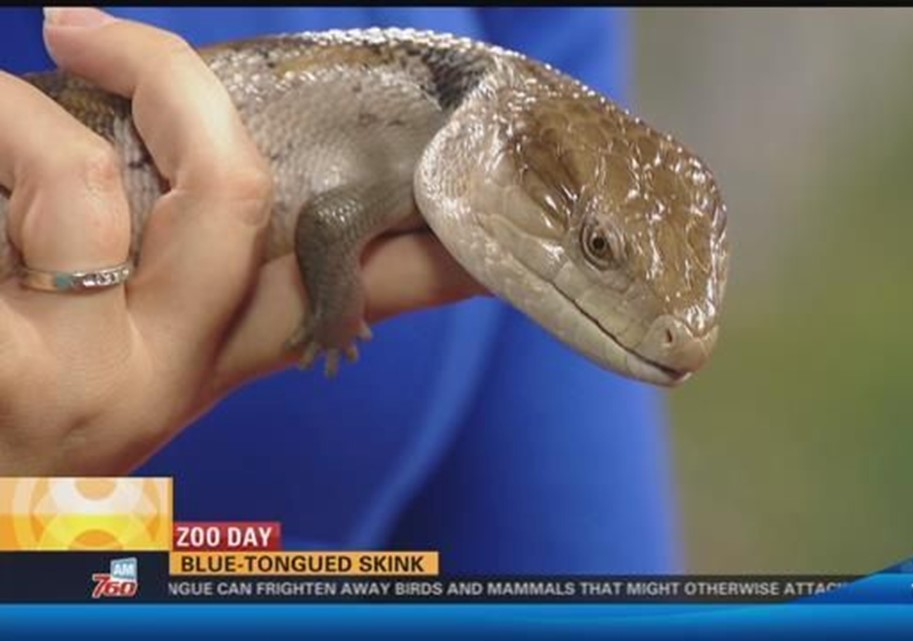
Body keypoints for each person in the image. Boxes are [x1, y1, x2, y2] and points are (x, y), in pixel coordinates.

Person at [0, 7, 680, 574]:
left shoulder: (517, 71)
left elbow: (569, 592)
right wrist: (29, 507)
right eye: (596, 250)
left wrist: (43, 522)